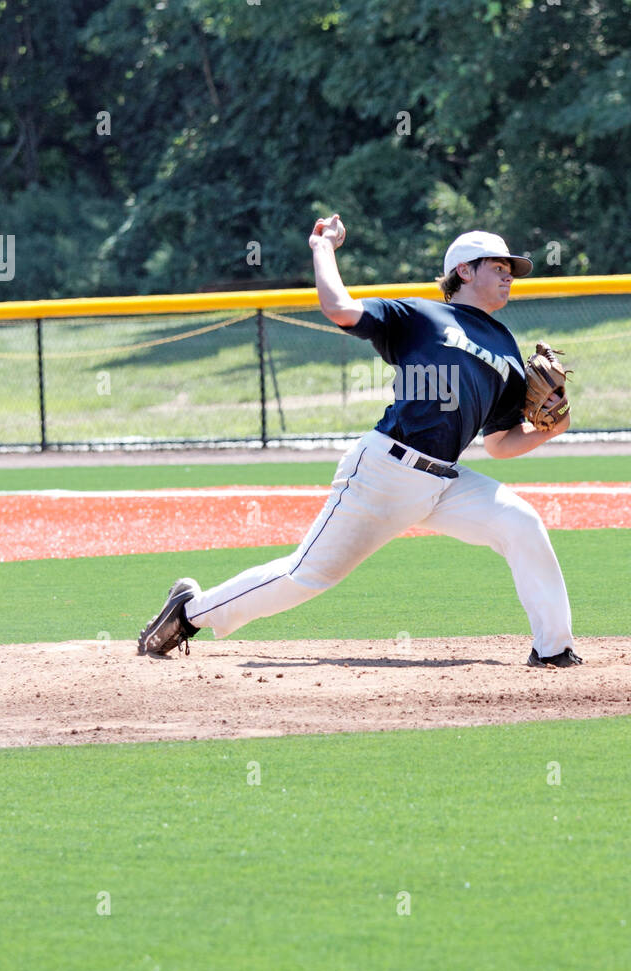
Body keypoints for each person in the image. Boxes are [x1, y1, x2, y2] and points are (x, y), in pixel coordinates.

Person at [137, 215, 583, 667]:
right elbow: (339, 308)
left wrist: (552, 429)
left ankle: (554, 649)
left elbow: (500, 443)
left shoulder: (506, 346)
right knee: (306, 574)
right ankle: (190, 612)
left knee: (521, 524)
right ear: (464, 271)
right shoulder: (419, 315)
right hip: (384, 472)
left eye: (513, 267)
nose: (509, 273)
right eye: (498, 265)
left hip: (446, 482)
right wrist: (323, 247)